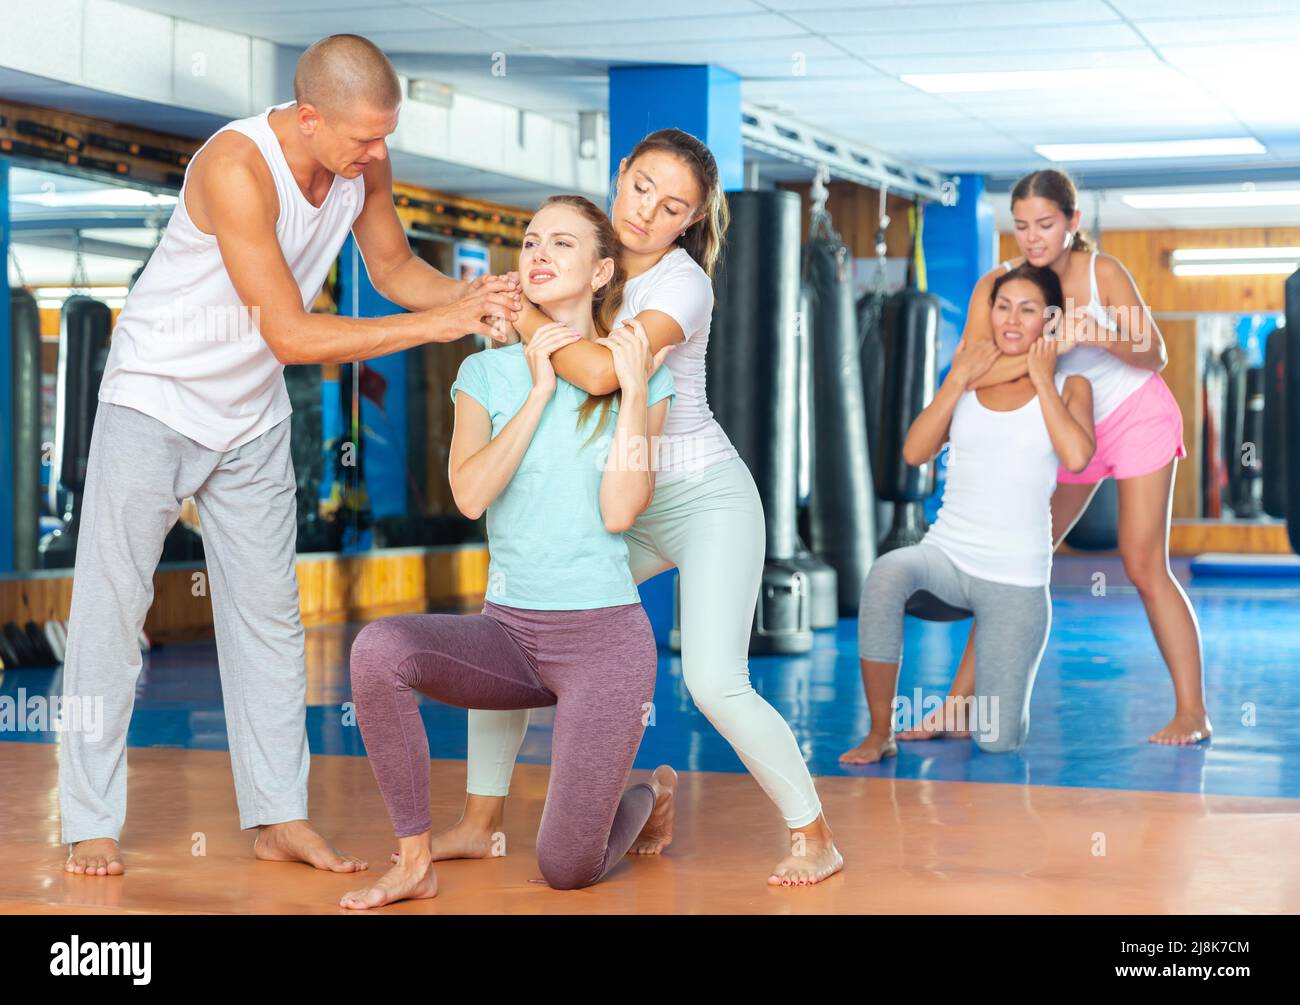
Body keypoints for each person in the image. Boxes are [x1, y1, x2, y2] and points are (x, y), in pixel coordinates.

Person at [59, 34, 520, 877]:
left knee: (270, 618)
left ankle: (277, 815)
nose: (377, 155)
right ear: (308, 117)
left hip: (249, 414)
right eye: (362, 138)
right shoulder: (235, 167)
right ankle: (88, 816)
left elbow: (391, 268)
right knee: (110, 614)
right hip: (153, 398)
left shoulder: (361, 162)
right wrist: (439, 326)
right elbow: (292, 332)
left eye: (386, 136)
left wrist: (470, 296)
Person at [442, 128, 843, 887]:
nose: (646, 212)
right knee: (514, 619)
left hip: (701, 498)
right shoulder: (584, 257)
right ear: (620, 174)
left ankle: (814, 833)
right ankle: (480, 820)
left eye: (672, 207)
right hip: (616, 495)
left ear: (689, 221)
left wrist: (521, 308)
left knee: (715, 680)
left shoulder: (681, 285)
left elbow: (597, 373)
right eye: (641, 188)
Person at [342, 195, 676, 908]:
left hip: (605, 641)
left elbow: (621, 509)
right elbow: (469, 494)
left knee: (565, 867)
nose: (539, 255)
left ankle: (650, 797)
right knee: (377, 651)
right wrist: (536, 394)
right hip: (510, 635)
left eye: (562, 243)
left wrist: (639, 380)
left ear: (601, 271)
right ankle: (413, 860)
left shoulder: (643, 382)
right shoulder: (484, 375)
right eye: (529, 242)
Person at [899, 168, 1207, 747]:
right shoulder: (1000, 285)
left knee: (1143, 565)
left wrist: (1097, 335)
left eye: (1045, 224)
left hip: (1135, 416)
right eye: (1021, 226)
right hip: (1065, 422)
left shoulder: (1102, 272)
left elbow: (1155, 353)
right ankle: (957, 708)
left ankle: (1192, 712)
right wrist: (1044, 359)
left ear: (1073, 222)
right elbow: (972, 368)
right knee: (1011, 561)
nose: (1033, 238)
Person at [841, 264, 1094, 764]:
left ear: (1050, 319)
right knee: (888, 573)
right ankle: (878, 732)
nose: (1012, 320)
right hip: (949, 559)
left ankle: (966, 713)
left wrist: (1043, 379)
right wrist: (956, 380)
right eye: (1003, 307)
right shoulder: (969, 377)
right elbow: (914, 452)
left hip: (1017, 581)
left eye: (1027, 309)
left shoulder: (1071, 385)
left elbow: (1077, 457)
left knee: (997, 740)